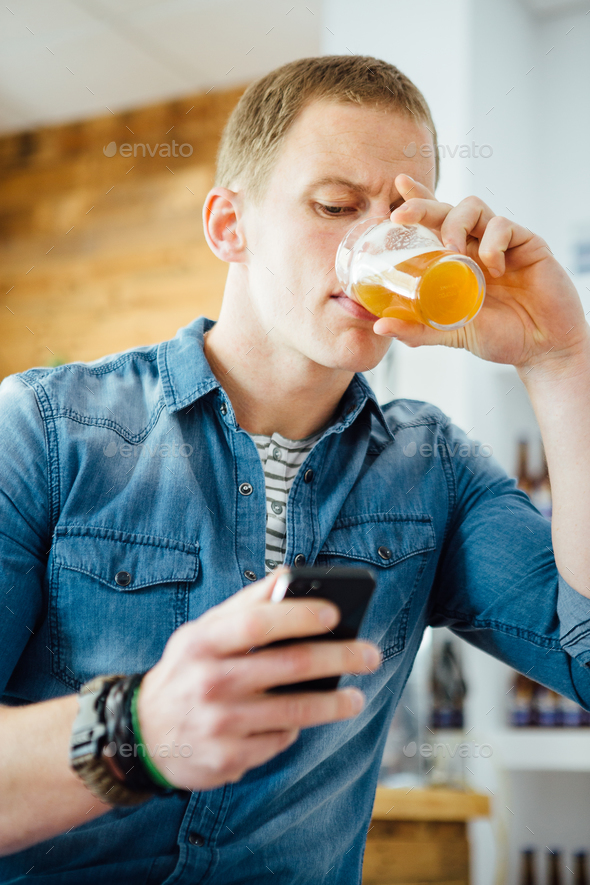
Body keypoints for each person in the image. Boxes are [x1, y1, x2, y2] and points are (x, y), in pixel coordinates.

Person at [1, 54, 589, 884]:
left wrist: (562, 357)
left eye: (401, 216)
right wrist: (137, 727)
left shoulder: (433, 470)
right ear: (227, 226)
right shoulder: (50, 428)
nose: (376, 240)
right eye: (336, 205)